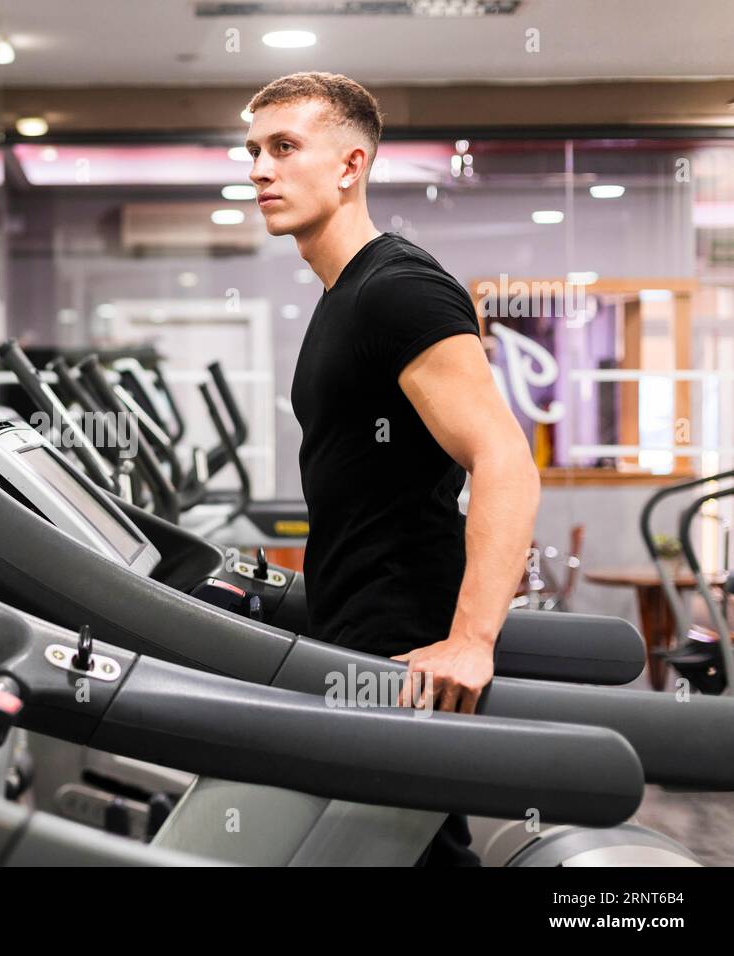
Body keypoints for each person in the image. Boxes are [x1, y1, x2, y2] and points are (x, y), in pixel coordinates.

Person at [244, 72, 541, 866]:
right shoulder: (344, 294)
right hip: (358, 626)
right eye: (254, 151)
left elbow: (504, 458)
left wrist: (470, 641)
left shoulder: (397, 289)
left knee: (402, 851)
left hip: (402, 643)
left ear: (351, 165)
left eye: (284, 147)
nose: (261, 169)